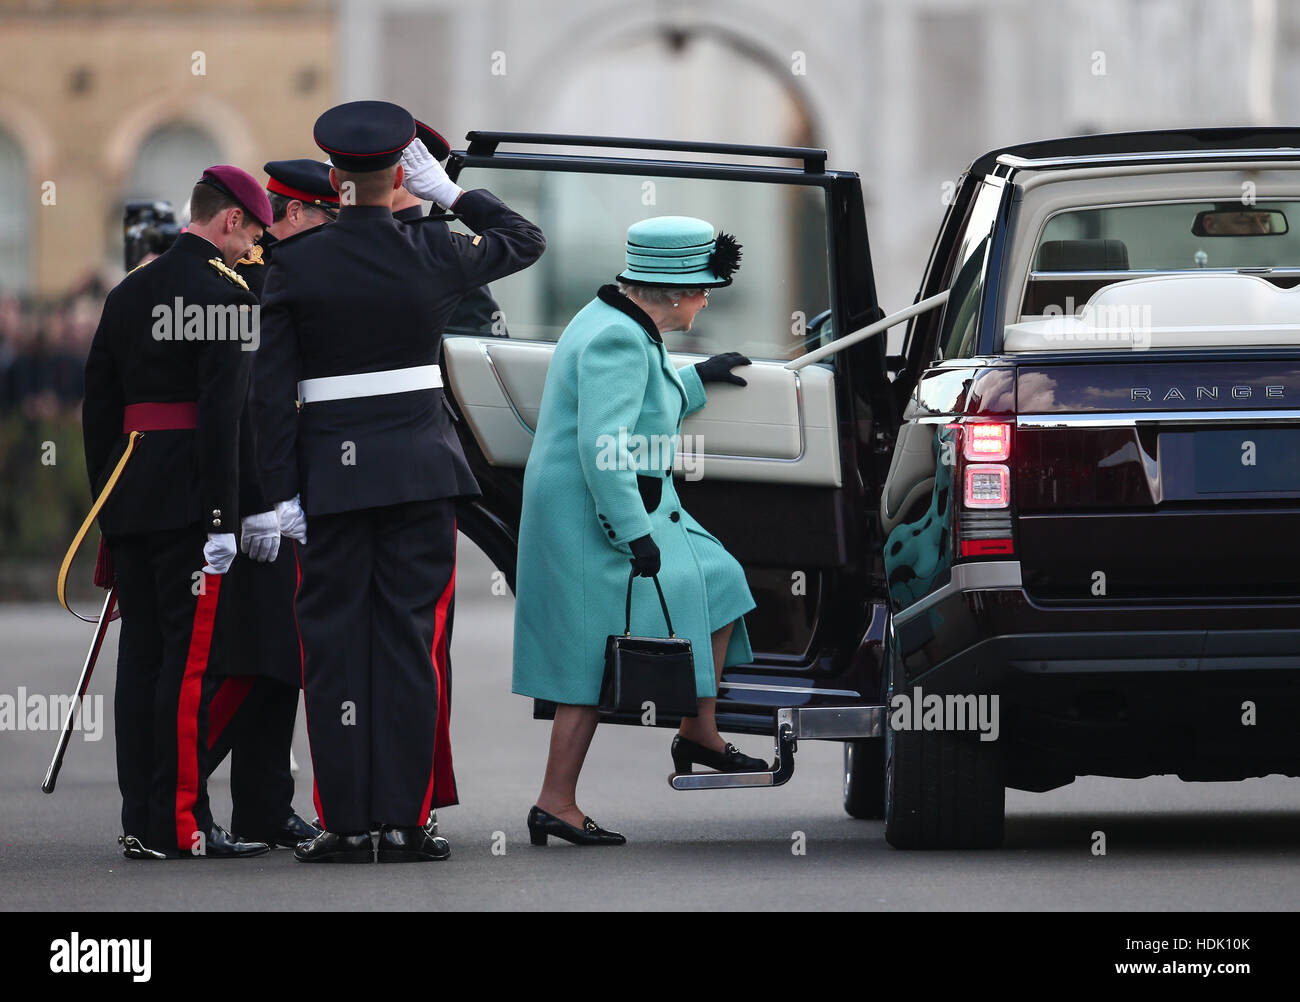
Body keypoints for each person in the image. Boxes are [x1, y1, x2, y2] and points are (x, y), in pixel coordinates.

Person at [252, 100, 546, 863]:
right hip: (420, 474)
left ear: (334, 177)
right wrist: (450, 192)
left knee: (335, 650)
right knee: (412, 646)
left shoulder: (295, 262)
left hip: (330, 481)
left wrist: (279, 495)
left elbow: (268, 393)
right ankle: (408, 822)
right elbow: (525, 239)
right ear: (398, 174)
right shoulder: (435, 249)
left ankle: (347, 824)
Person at [511, 215, 764, 847]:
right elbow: (604, 445)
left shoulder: (619, 322)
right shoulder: (618, 340)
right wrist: (633, 534)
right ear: (676, 293)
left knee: (722, 578)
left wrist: (694, 378)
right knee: (592, 662)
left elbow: (639, 395)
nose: (706, 300)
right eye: (704, 289)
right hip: (593, 515)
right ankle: (555, 803)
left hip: (620, 505)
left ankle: (697, 731)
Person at [82, 165, 275, 860]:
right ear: (229, 221)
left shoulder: (128, 292)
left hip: (131, 494)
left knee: (140, 664)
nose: (253, 246)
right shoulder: (224, 297)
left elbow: (98, 409)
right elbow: (225, 419)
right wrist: (228, 517)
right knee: (187, 666)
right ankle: (182, 823)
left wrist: (107, 498)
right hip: (191, 503)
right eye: (252, 232)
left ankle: (143, 820)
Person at [199, 159, 342, 851]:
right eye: (324, 217)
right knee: (256, 654)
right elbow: (244, 404)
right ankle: (180, 791)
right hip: (256, 500)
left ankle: (263, 805)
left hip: (290, 495)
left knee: (282, 657)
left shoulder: (290, 275)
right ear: (291, 217)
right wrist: (254, 501)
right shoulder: (252, 282)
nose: (331, 231)